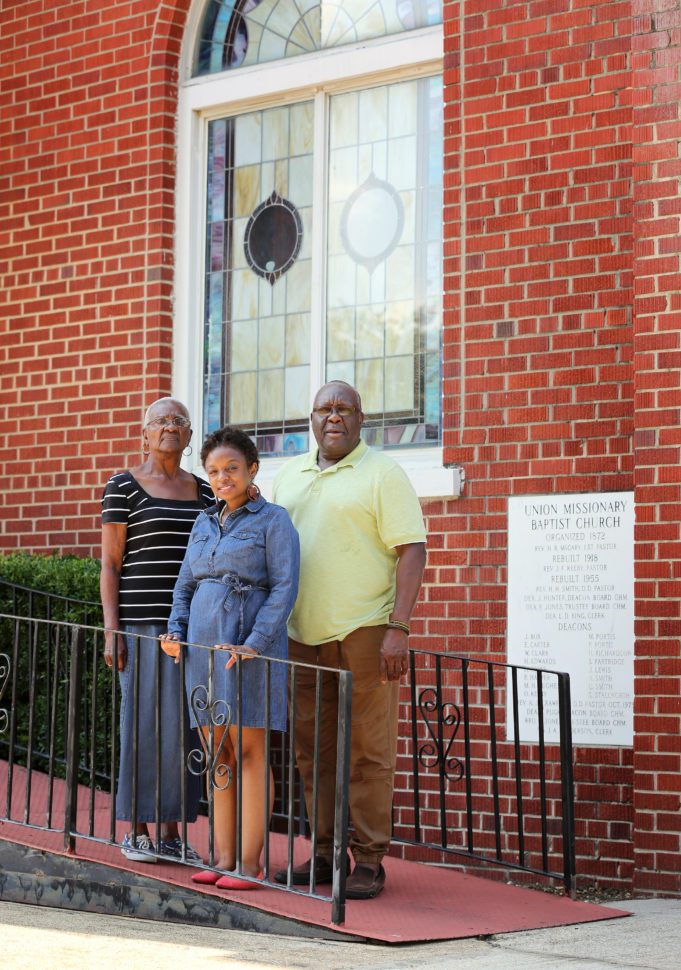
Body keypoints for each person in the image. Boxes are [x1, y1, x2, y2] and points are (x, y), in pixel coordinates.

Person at [272, 380, 426, 899]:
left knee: (367, 752)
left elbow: (412, 550)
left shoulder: (383, 473)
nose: (333, 417)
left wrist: (398, 628)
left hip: (366, 632)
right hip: (301, 635)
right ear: (311, 419)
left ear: (361, 419)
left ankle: (369, 860)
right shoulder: (289, 475)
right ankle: (324, 852)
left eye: (344, 409)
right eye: (324, 409)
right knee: (312, 752)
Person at [161, 426, 299, 889]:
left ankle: (250, 865)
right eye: (214, 471)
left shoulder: (274, 520)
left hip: (248, 650)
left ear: (252, 469)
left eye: (232, 468)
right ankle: (222, 858)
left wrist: (254, 643)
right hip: (201, 650)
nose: (223, 477)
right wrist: (175, 632)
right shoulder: (203, 522)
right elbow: (184, 585)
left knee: (251, 752)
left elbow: (284, 588)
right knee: (217, 751)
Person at [100, 397, 214, 862]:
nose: (170, 427)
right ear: (144, 433)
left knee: (184, 729)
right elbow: (110, 564)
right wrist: (112, 631)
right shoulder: (122, 486)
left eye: (179, 421)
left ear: (189, 437)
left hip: (191, 628)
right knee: (142, 724)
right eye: (160, 421)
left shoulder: (205, 491)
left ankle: (171, 832)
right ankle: (138, 829)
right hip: (142, 626)